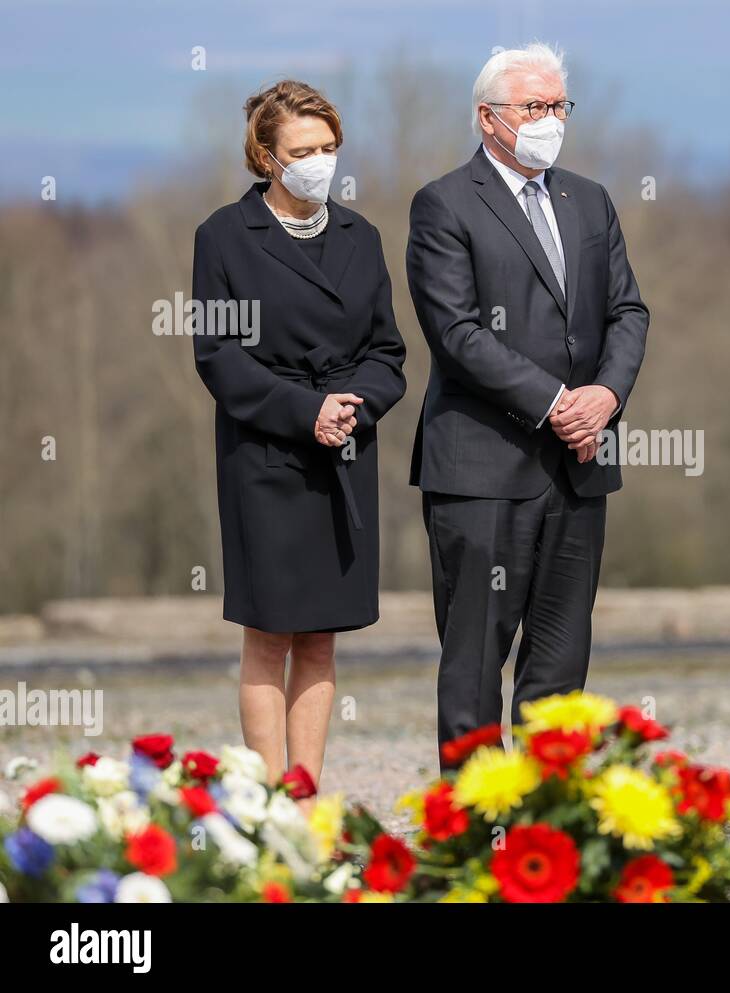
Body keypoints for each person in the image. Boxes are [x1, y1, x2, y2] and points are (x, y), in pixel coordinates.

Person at [406, 43, 649, 754]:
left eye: (557, 106)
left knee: (560, 666)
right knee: (476, 664)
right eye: (533, 107)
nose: (550, 119)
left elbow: (629, 312)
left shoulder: (590, 200)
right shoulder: (445, 204)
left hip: (577, 468)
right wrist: (555, 402)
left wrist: (604, 395)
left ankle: (549, 830)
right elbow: (456, 331)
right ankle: (476, 842)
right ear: (488, 118)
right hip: (483, 468)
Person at [192, 80, 406, 790]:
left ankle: (306, 796)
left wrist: (356, 406)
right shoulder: (223, 236)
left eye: (329, 147)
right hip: (265, 453)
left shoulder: (362, 236)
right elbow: (218, 357)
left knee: (320, 635)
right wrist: (301, 410)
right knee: (269, 632)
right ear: (265, 156)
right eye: (303, 150)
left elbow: (388, 353)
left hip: (345, 452)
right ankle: (267, 801)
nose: (321, 161)